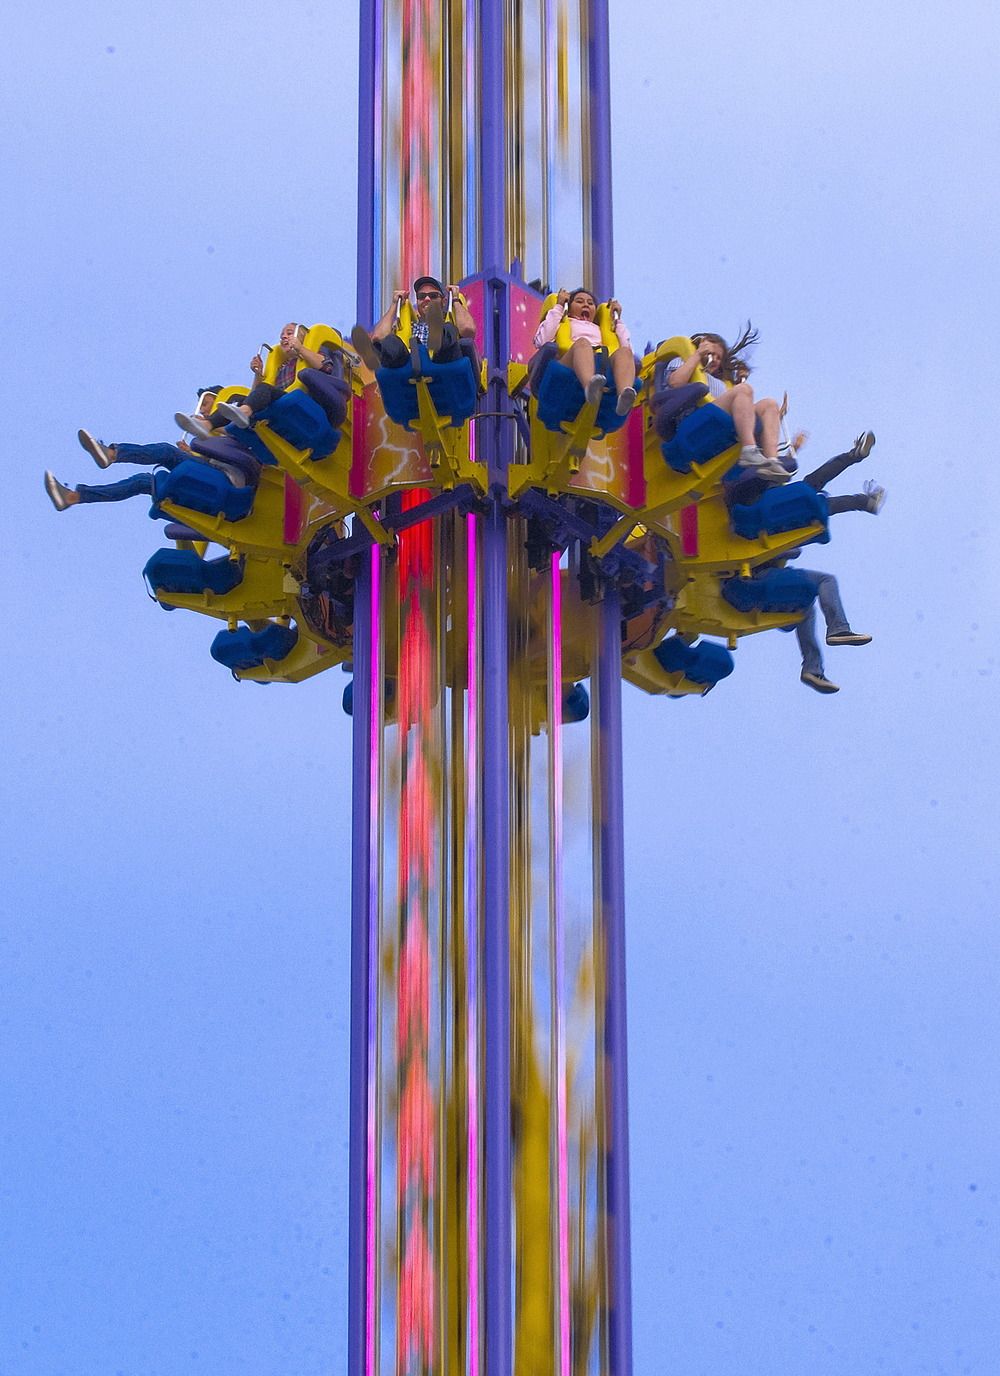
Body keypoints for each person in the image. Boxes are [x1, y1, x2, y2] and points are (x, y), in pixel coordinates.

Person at [42, 387, 254, 512]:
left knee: (166, 451)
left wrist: (211, 427)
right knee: (142, 482)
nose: (203, 410)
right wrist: (191, 453)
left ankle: (113, 454)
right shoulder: (211, 434)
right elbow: (212, 460)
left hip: (234, 479)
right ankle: (74, 497)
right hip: (213, 474)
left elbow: (243, 436)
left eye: (207, 404)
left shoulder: (232, 417)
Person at [662, 325, 787, 477]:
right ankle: (749, 450)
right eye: (711, 354)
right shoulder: (683, 361)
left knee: (770, 404)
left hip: (719, 426)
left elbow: (740, 407)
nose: (714, 359)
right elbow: (675, 383)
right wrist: (697, 355)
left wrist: (775, 418)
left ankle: (772, 462)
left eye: (718, 357)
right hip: (691, 423)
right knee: (744, 390)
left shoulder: (723, 384)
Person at [176, 324, 342, 435]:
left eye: (289, 333)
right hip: (284, 404)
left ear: (302, 335)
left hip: (308, 401)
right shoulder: (282, 367)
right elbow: (257, 394)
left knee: (262, 392)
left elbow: (325, 367)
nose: (284, 337)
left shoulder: (311, 352)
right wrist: (258, 373)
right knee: (242, 401)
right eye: (281, 335)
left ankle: (243, 413)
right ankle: (207, 425)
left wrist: (300, 348)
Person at [725, 429, 887, 516]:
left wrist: (794, 449)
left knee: (811, 496)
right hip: (756, 502)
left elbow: (770, 472)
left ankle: (864, 499)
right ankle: (854, 459)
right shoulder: (746, 461)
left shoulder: (750, 459)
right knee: (811, 493)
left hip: (761, 501)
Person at [532, 287, 637, 415]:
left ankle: (623, 396)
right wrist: (559, 306)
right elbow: (542, 341)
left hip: (601, 365)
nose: (586, 304)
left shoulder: (601, 330)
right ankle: (589, 386)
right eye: (579, 301)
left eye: (590, 303)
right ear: (569, 307)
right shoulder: (562, 322)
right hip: (569, 362)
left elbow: (627, 350)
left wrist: (617, 320)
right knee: (583, 343)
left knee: (625, 352)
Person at [350, 277, 478, 371]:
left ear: (444, 302)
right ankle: (375, 356)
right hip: (410, 364)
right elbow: (378, 337)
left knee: (448, 330)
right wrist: (395, 304)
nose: (427, 299)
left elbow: (468, 330)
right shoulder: (409, 326)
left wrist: (455, 299)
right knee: (392, 342)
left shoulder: (452, 320)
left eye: (433, 296)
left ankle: (435, 336)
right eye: (422, 296)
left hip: (443, 362)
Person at [794, 566, 872, 694]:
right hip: (764, 578)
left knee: (804, 608)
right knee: (826, 579)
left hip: (759, 596)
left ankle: (812, 669)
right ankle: (838, 629)